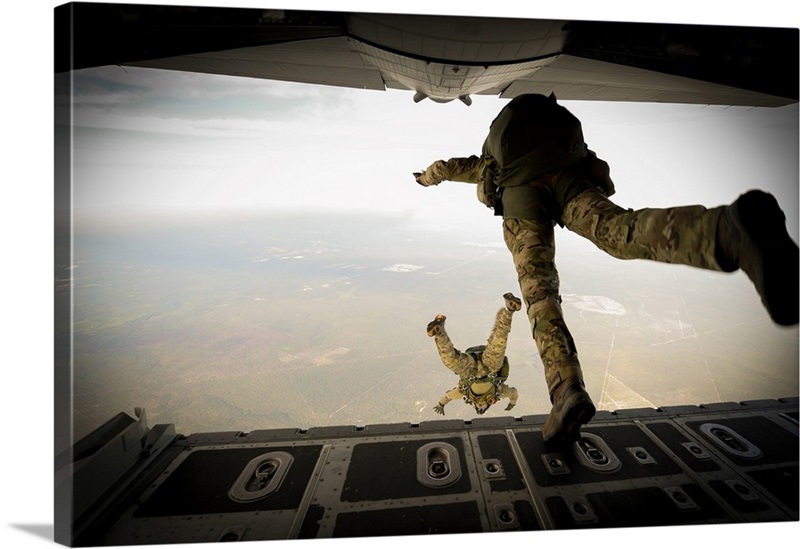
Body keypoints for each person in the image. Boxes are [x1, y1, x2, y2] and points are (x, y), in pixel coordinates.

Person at [414, 93, 799, 443]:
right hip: (567, 172)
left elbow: (449, 167)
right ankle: (728, 230)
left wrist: (426, 179)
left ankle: (566, 390)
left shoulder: (489, 160)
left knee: (539, 292)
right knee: (617, 230)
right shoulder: (537, 132)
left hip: (522, 195)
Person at [428, 293, 522, 416]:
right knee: (499, 341)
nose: (481, 406)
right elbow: (514, 393)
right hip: (490, 368)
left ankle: (439, 332)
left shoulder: (464, 393)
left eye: (479, 408)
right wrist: (512, 403)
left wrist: (441, 405)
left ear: (474, 404)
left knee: (451, 361)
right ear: (489, 404)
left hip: (469, 369)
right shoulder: (499, 393)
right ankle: (509, 310)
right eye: (483, 408)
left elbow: (448, 396)